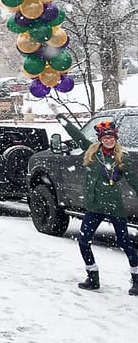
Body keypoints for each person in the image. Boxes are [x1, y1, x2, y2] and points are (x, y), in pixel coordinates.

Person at [76, 120, 138, 295]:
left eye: (111, 137)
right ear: (100, 139)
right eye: (105, 138)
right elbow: (77, 135)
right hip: (94, 207)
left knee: (124, 243)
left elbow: (135, 181)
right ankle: (92, 277)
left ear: (115, 138)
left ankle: (137, 280)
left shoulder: (122, 157)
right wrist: (60, 116)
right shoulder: (92, 152)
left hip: (114, 206)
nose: (108, 140)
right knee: (83, 241)